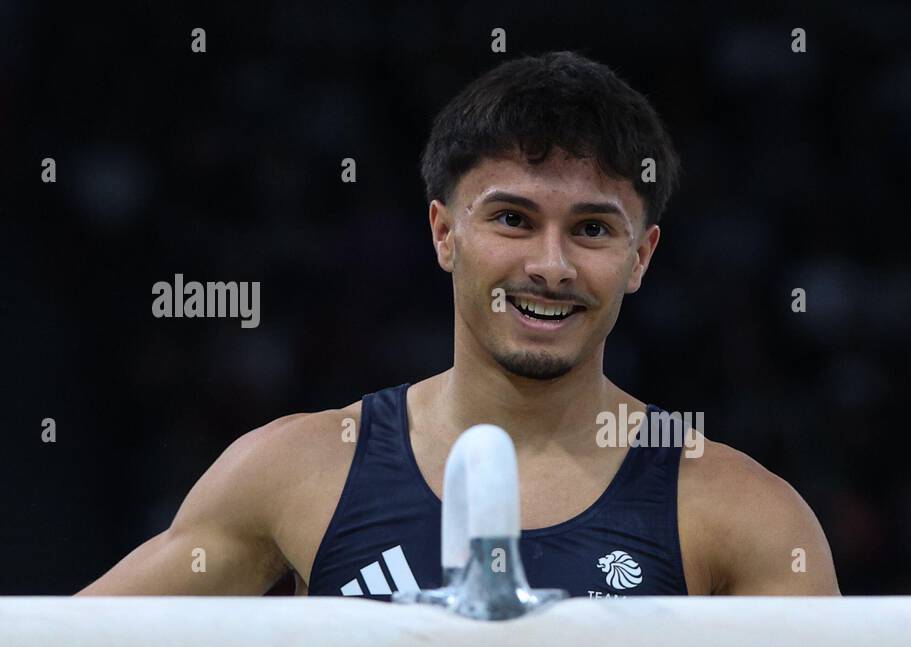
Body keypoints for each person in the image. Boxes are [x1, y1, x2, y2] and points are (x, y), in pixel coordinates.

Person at [79, 52, 839, 599]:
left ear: (641, 257)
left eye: (593, 230)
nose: (551, 266)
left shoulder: (743, 513)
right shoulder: (299, 470)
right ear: (444, 234)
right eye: (512, 219)